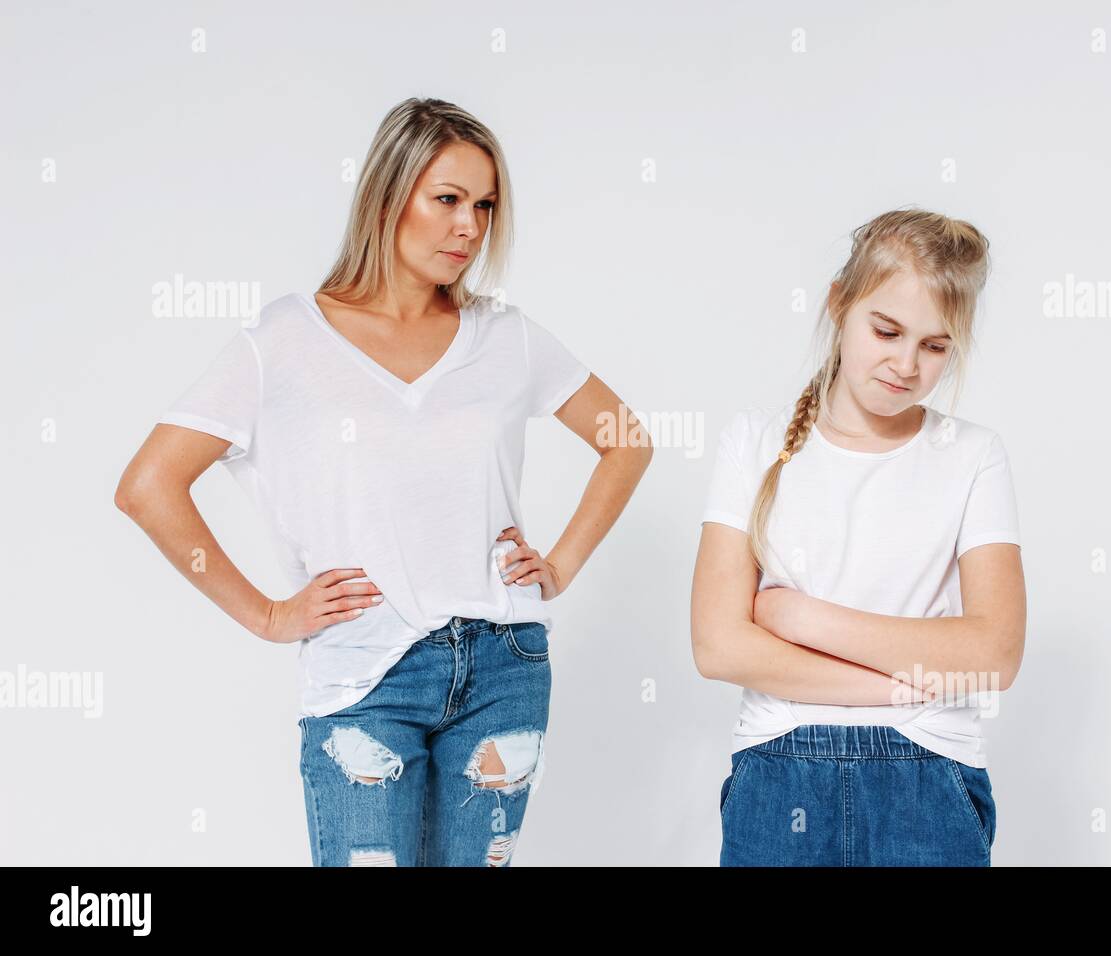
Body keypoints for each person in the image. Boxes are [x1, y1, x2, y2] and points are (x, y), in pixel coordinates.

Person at [114, 97, 653, 867]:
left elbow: (626, 441)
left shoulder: (507, 337)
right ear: (388, 196)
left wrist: (558, 564)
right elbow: (148, 486)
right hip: (364, 674)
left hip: (505, 665)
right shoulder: (286, 341)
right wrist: (269, 615)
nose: (470, 226)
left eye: (486, 205)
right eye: (448, 199)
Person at [690, 208, 1025, 866]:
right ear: (839, 304)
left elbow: (994, 654)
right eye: (887, 330)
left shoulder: (973, 455)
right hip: (779, 770)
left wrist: (798, 616)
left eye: (935, 346)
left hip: (931, 775)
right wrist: (910, 683)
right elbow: (718, 645)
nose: (906, 364)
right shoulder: (752, 443)